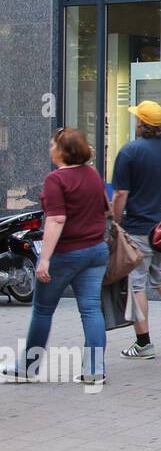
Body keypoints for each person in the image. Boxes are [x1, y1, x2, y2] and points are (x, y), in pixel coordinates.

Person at [5, 128, 108, 385]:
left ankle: (27, 367)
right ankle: (95, 369)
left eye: (53, 144)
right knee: (91, 309)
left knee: (42, 310)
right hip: (95, 250)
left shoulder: (56, 180)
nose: (50, 148)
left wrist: (45, 258)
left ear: (63, 151)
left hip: (67, 253)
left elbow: (56, 219)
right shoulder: (93, 175)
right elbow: (105, 210)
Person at [111, 100, 161, 359]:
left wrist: (115, 223)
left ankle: (143, 343)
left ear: (141, 123)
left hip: (139, 228)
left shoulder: (130, 152)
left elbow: (121, 194)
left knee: (137, 284)